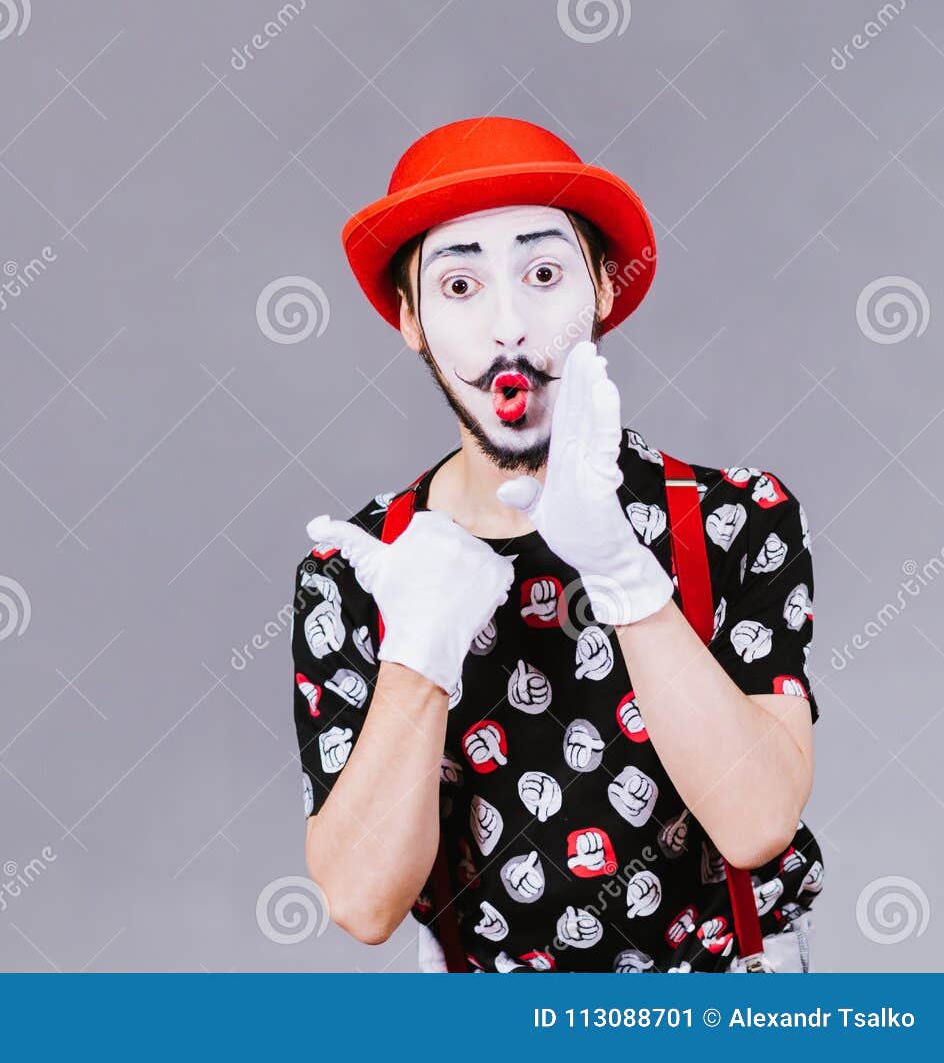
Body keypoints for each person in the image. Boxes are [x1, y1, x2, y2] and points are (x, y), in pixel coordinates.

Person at [291, 117, 823, 972]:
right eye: (459, 285)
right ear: (411, 319)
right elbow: (361, 902)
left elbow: (758, 823)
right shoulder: (359, 572)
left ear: (603, 286)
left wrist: (621, 571)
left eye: (543, 274)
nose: (509, 327)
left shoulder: (733, 516)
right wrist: (417, 655)